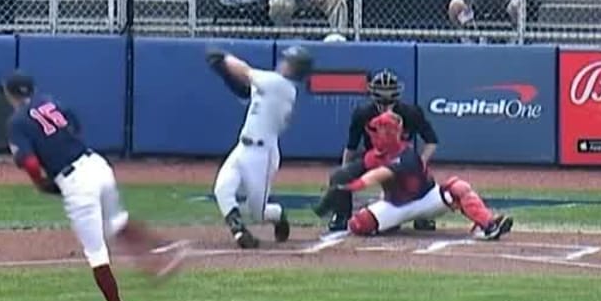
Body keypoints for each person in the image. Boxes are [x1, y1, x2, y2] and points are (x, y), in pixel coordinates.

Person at [2, 70, 181, 301]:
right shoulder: (47, 101)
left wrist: (41, 183)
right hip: (96, 165)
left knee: (97, 254)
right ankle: (165, 251)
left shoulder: (16, 122)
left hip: (75, 181)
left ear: (9, 93)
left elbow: (29, 162)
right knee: (117, 222)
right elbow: (74, 124)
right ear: (32, 88)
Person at [331, 109, 514, 238]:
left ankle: (488, 225)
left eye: (383, 131)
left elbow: (384, 173)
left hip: (427, 199)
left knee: (458, 188)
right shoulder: (372, 156)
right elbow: (351, 172)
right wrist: (341, 179)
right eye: (378, 131)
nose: (378, 135)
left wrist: (357, 183)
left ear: (394, 133)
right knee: (359, 224)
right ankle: (388, 225)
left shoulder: (407, 154)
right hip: (396, 206)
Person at [204, 45, 314, 249]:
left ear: (296, 69)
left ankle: (278, 215)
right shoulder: (272, 85)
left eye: (289, 62)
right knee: (222, 188)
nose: (283, 63)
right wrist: (224, 72)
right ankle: (240, 232)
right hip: (243, 147)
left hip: (262, 155)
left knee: (257, 213)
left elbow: (244, 71)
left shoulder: (281, 86)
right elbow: (244, 91)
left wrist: (224, 58)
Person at [318, 69, 441, 233]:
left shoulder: (411, 113)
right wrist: (344, 172)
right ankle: (341, 216)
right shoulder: (362, 113)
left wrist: (419, 163)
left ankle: (423, 216)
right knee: (339, 176)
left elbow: (431, 141)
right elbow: (351, 147)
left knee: (423, 181)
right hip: (374, 158)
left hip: (401, 160)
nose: (385, 106)